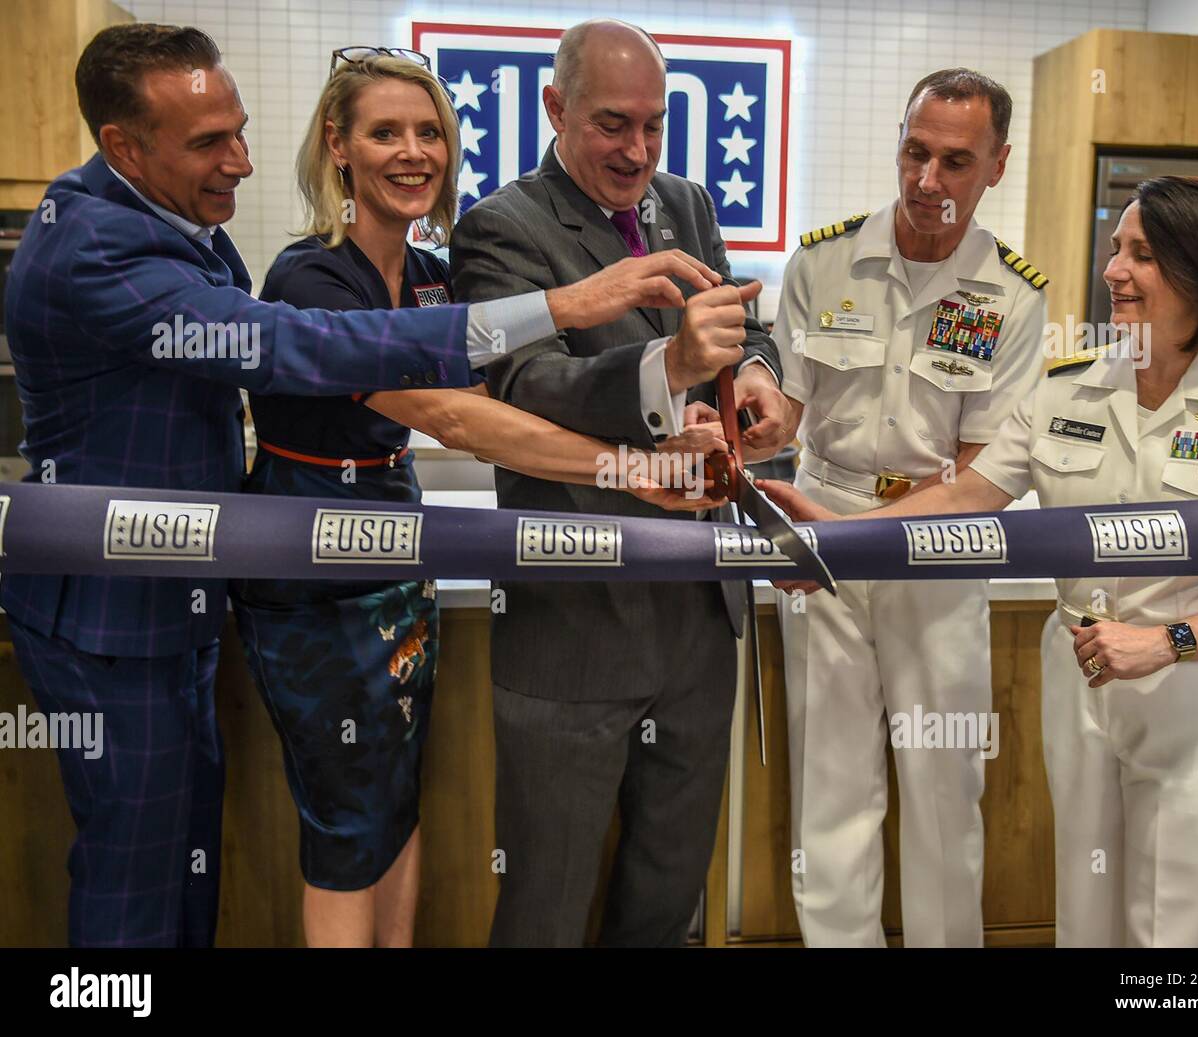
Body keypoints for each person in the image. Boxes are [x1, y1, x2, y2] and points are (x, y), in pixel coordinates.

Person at [2, 22, 718, 949]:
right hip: (205, 601)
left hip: (330, 580)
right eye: (385, 132)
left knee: (335, 823)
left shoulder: (399, 272)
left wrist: (664, 432)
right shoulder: (238, 263)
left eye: (429, 133)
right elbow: (424, 401)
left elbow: (507, 401)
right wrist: (614, 417)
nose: (240, 163)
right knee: (197, 850)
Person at [232, 48, 726, 948]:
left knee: (396, 809)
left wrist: (694, 419)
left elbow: (483, 382)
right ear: (337, 147)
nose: (413, 151)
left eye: (430, 132)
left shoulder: (425, 273)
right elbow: (465, 418)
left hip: (398, 564)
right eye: (386, 132)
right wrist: (632, 466)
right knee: (348, 827)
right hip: (317, 585)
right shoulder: (312, 278)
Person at [762, 175, 1198, 948]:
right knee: (1084, 916)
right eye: (1117, 248)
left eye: (1141, 255)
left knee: (1176, 928)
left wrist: (1170, 641)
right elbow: (965, 495)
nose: (1112, 270)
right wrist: (839, 539)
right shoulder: (1066, 391)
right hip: (1080, 675)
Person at [450, 18, 789, 947]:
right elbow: (524, 386)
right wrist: (667, 369)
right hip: (573, 624)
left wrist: (756, 376)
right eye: (611, 125)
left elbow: (733, 323)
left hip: (698, 622)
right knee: (546, 906)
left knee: (666, 900)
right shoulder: (499, 228)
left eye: (654, 124)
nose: (637, 151)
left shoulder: (687, 200)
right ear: (555, 108)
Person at [753, 69, 1047, 947]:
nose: (927, 179)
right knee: (833, 780)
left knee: (943, 781)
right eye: (916, 151)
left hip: (939, 545)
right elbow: (788, 410)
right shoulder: (822, 258)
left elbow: (976, 471)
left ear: (995, 166)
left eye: (955, 161)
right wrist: (756, 395)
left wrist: (856, 530)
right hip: (823, 525)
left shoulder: (1014, 295)